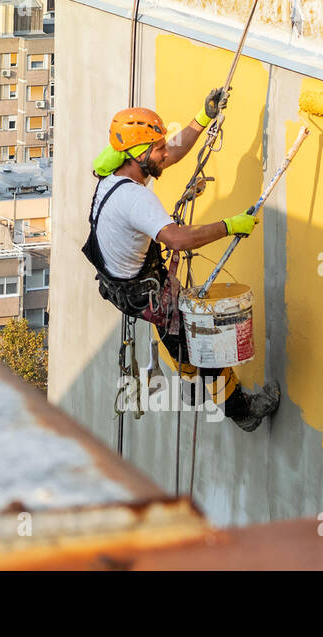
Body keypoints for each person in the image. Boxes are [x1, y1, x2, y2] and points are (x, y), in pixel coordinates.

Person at [81, 91, 281, 432]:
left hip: (120, 282)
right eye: (157, 149)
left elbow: (171, 152)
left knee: (184, 342)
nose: (165, 153)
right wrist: (229, 226)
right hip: (142, 291)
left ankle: (190, 384)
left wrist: (201, 119)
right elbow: (176, 239)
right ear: (138, 155)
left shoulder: (114, 176)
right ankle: (242, 411)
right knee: (204, 345)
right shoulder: (136, 199)